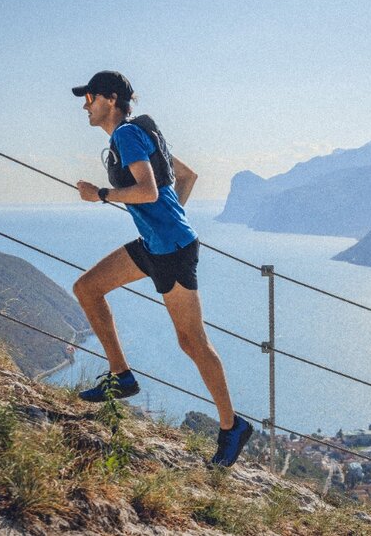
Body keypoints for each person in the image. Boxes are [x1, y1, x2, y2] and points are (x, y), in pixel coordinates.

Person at [70, 70, 252, 467]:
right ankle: (121, 376)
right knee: (87, 288)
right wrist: (165, 220)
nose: (85, 104)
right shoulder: (138, 133)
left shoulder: (126, 135)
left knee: (192, 343)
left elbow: (149, 190)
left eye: (90, 97)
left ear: (111, 99)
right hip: (157, 245)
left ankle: (232, 426)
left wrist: (100, 194)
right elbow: (185, 176)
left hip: (170, 252)